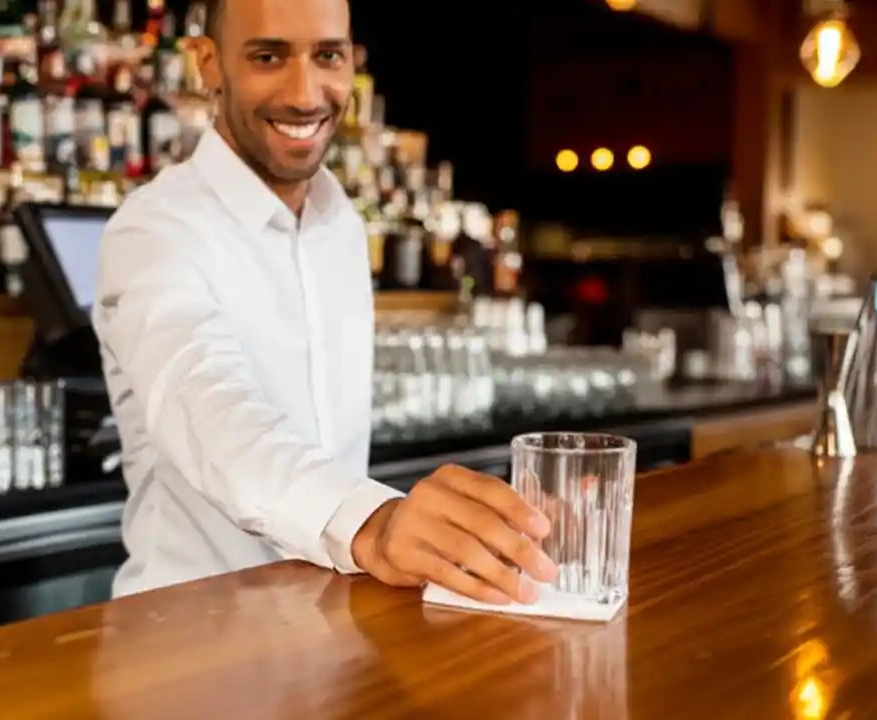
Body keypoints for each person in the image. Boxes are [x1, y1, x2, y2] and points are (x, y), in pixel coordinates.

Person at [93, 0, 556, 605]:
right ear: (208, 64)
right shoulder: (156, 229)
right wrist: (370, 522)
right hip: (187, 638)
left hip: (325, 629)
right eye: (268, 57)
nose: (305, 93)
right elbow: (207, 404)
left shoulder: (340, 224)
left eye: (328, 56)